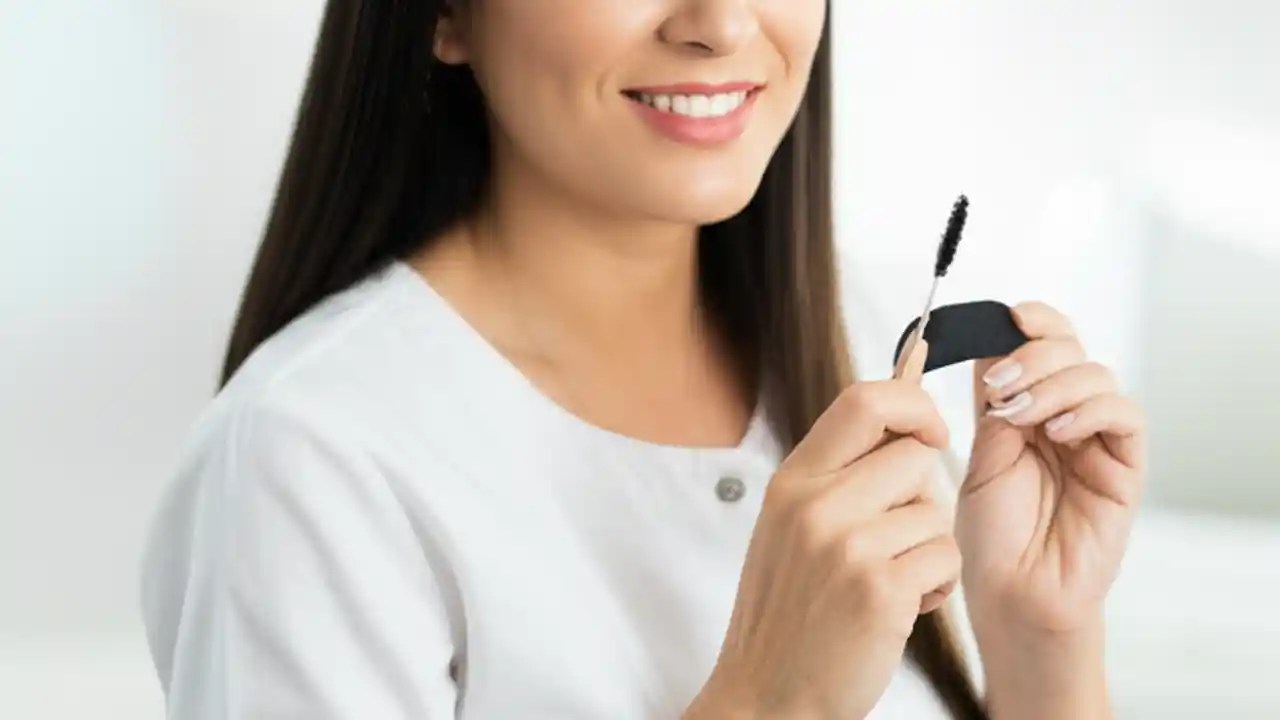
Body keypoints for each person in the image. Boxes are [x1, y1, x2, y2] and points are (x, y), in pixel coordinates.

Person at [140, 2, 1148, 718]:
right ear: (444, 14)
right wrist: (772, 701)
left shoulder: (873, 334)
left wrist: (1040, 641)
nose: (719, 23)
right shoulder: (307, 455)